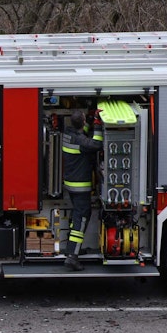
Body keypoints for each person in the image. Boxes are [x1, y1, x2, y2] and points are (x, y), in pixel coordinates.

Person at [61, 109, 104, 271]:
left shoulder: (68, 134)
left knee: (77, 216)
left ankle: (73, 248)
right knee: (82, 218)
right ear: (83, 122)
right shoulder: (81, 141)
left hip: (71, 184)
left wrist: (91, 120)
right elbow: (97, 144)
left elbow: (82, 134)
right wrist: (98, 125)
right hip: (80, 186)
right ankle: (72, 257)